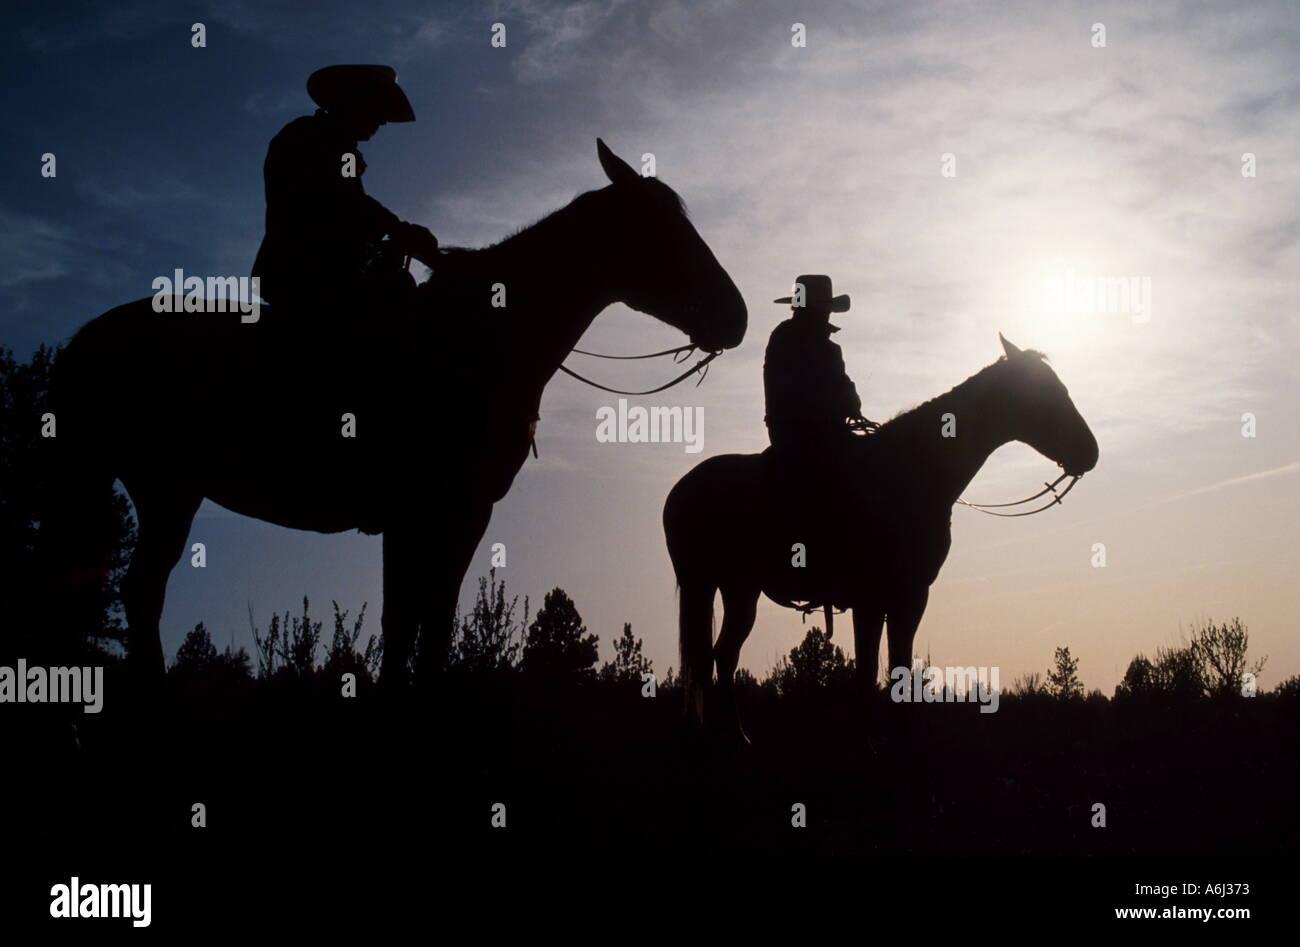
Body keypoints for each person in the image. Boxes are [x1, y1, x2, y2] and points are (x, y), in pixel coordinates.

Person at [251, 64, 440, 317]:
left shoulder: (337, 148)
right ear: (354, 101)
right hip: (304, 275)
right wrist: (398, 229)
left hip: (322, 273)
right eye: (379, 109)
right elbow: (339, 200)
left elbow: (347, 207)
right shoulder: (307, 134)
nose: (383, 121)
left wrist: (382, 245)